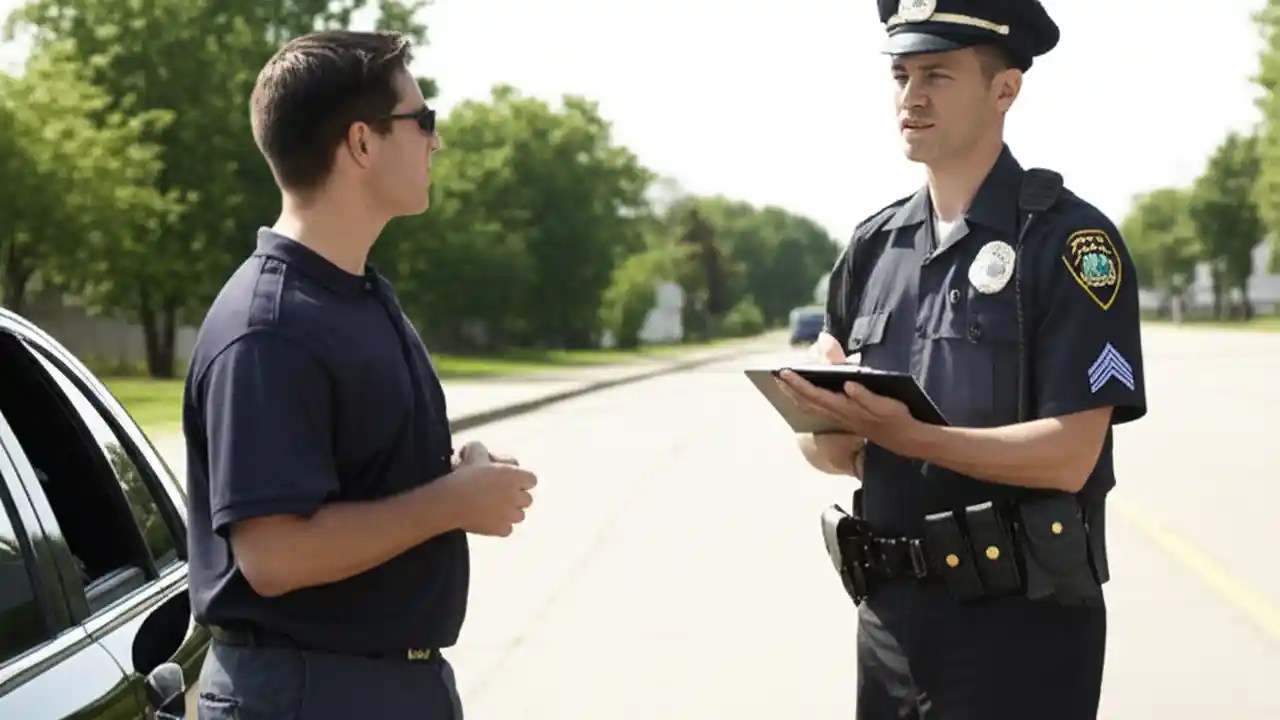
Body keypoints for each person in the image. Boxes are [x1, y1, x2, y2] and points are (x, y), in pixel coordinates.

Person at [777, 1, 1146, 718]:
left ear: (1004, 90)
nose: (911, 96)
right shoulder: (872, 247)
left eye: (937, 75)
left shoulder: (1070, 245)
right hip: (889, 621)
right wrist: (822, 419)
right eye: (902, 74)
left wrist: (905, 438)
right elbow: (826, 446)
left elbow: (1069, 455)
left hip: (1021, 627)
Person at [182, 30, 537, 719]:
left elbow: (361, 476)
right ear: (362, 144)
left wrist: (460, 476)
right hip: (310, 693)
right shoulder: (270, 326)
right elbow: (274, 554)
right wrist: (453, 504)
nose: (435, 141)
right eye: (422, 120)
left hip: (391, 684)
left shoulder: (356, 291)